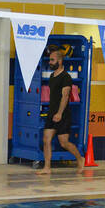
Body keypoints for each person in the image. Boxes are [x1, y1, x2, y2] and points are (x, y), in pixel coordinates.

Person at [38, 46, 81, 174]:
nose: (50, 62)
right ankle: (47, 167)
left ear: (60, 61)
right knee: (46, 140)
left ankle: (80, 158)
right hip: (52, 113)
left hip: (62, 114)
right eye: (49, 60)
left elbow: (65, 96)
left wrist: (59, 113)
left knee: (64, 143)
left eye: (52, 60)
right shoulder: (52, 76)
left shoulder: (66, 77)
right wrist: (53, 112)